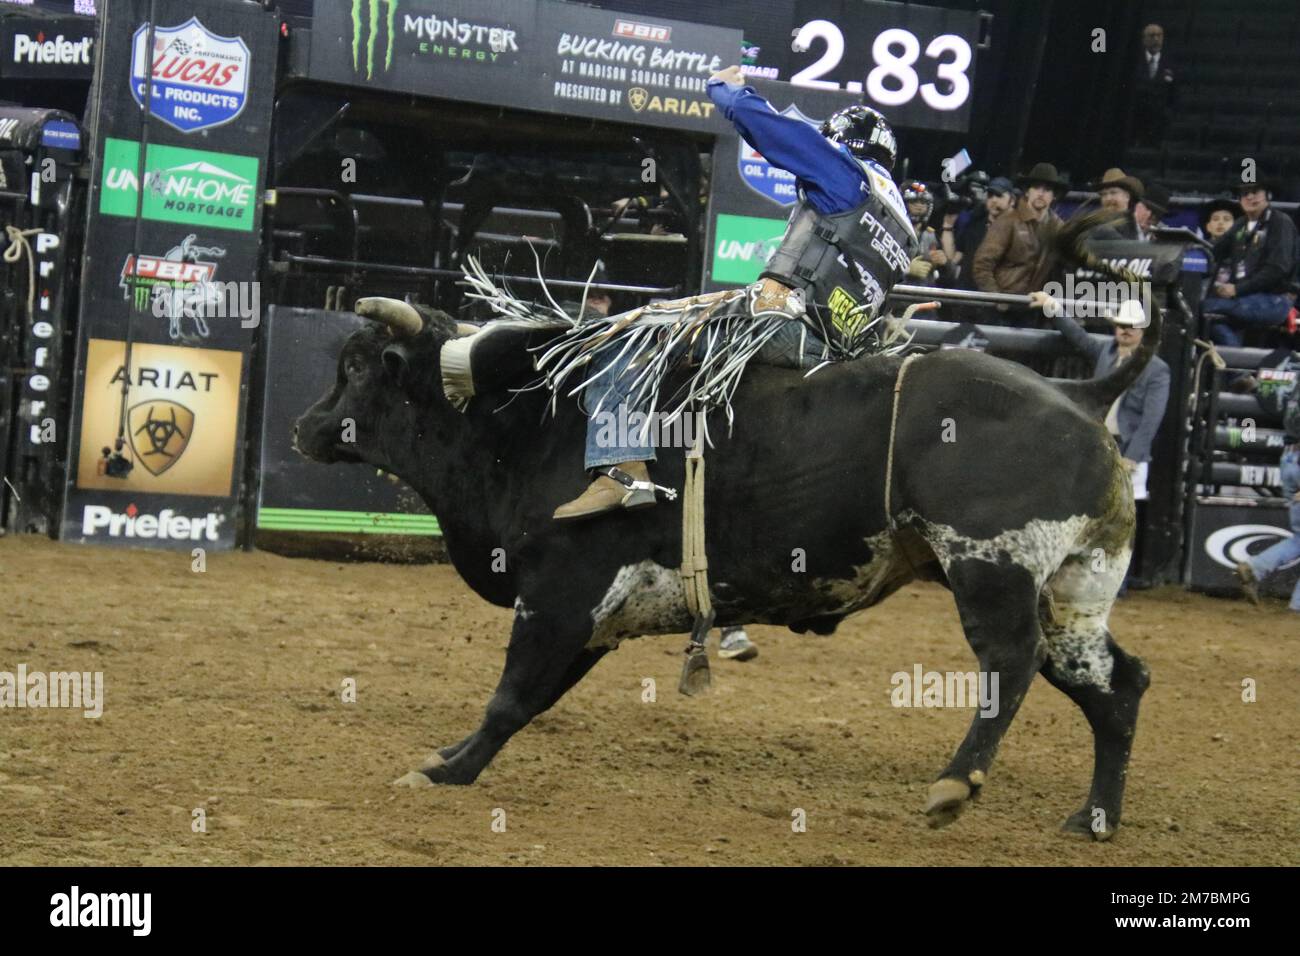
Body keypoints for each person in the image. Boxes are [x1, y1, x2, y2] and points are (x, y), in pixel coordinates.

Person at [552, 64, 916, 522]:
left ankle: (621, 470)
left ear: (842, 144)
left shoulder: (848, 176)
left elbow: (773, 132)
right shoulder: (902, 230)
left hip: (782, 325)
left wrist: (730, 90)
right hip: (835, 348)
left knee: (634, 333)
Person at [1029, 291, 1171, 498]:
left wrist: (1132, 457)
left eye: (1132, 326)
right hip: (1099, 443)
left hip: (1126, 447)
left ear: (1143, 330)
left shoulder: (1156, 369)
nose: (1126, 330)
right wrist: (1052, 306)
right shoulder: (1106, 352)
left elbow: (1151, 419)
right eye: (1122, 325)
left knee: (1125, 507)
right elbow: (1077, 336)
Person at [1234, 362, 1300, 613]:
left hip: (1289, 459)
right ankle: (1296, 606)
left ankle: (1256, 567)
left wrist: (1255, 386)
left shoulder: (1296, 381)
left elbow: (1277, 399)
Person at [1203, 181, 1299, 347]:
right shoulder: (1241, 224)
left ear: (1268, 195)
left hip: (1274, 299)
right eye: (1244, 193)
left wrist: (1237, 289)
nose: (1249, 197)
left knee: (1206, 307)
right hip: (1246, 299)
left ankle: (1232, 369)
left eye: (1255, 191)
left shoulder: (1280, 222)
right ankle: (1235, 370)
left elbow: (1277, 269)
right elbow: (1213, 253)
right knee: (1212, 321)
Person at [971, 163, 1068, 324]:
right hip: (1003, 309)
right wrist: (997, 299)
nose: (1041, 193)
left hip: (1035, 309)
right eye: (1036, 187)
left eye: (1048, 189)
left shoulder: (1059, 228)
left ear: (1054, 195)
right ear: (1027, 191)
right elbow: (982, 264)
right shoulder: (1009, 220)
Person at [942, 176, 1016, 290]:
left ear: (1012, 200)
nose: (994, 200)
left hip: (997, 296)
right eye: (990, 195)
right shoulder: (975, 224)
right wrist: (948, 225)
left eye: (999, 195)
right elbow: (954, 257)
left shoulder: (1017, 231)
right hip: (967, 295)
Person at [1131, 23, 1176, 147]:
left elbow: (1174, 90)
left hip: (1159, 114)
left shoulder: (1170, 62)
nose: (1156, 39)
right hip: (1137, 113)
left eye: (1159, 35)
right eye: (1151, 36)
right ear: (1144, 39)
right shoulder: (1134, 61)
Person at [901, 179, 947, 285]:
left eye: (923, 202)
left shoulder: (931, 234)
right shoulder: (894, 231)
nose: (919, 206)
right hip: (897, 292)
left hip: (925, 292)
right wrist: (906, 269)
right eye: (914, 202)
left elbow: (947, 277)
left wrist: (944, 264)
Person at [1087, 168, 1144, 240]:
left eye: (1113, 192)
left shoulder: (1140, 224)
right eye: (1104, 194)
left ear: (1127, 196)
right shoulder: (1094, 225)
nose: (1108, 198)